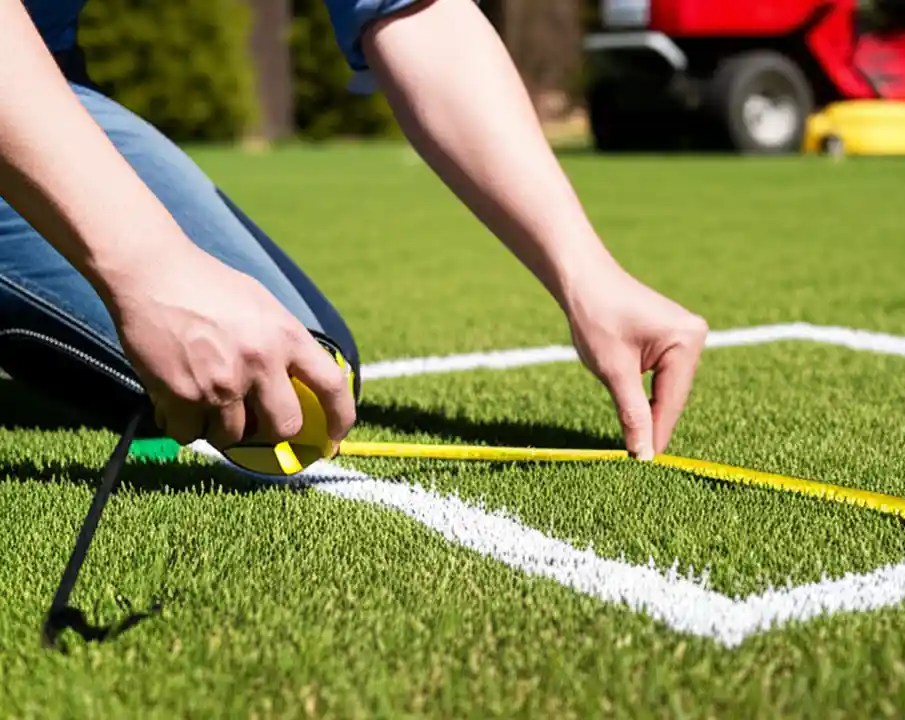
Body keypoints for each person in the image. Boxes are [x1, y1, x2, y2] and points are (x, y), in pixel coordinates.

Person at [0, 0, 708, 461]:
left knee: (299, 373)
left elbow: (415, 13)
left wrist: (585, 270)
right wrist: (147, 267)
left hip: (47, 79)